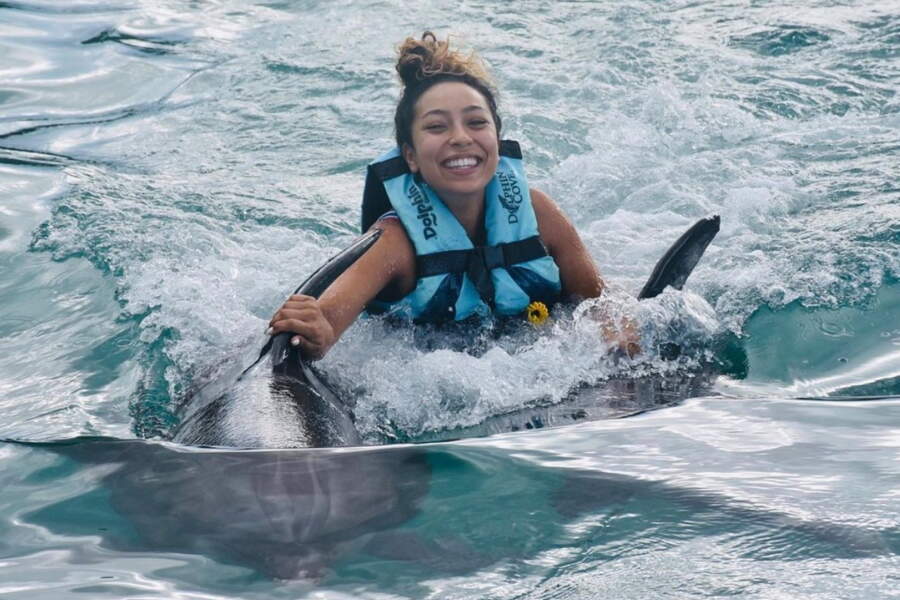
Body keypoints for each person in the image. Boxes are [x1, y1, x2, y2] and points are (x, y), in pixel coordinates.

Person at [268, 32, 638, 359]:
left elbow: (599, 302)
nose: (461, 137)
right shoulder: (393, 242)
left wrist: (616, 332)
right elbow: (329, 325)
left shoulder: (539, 213)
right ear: (409, 155)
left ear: (496, 138)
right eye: (436, 126)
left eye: (477, 122)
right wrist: (315, 326)